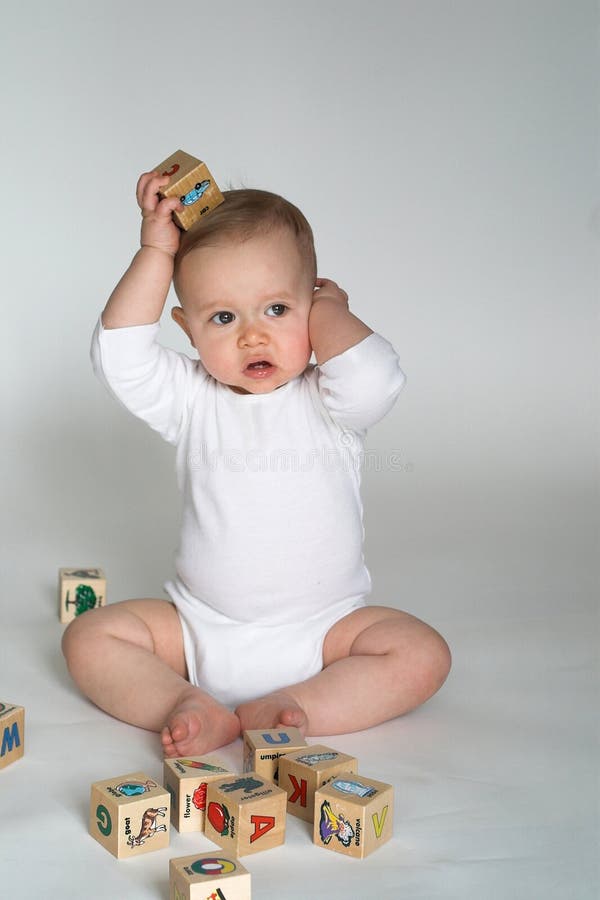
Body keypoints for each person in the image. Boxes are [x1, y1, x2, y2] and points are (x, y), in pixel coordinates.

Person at [62, 170, 451, 758]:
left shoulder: (331, 400)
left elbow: (377, 374)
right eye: (222, 318)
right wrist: (156, 251)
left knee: (422, 654)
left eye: (276, 308)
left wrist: (326, 309)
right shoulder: (191, 398)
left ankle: (298, 706)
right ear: (187, 328)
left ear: (311, 308)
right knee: (90, 637)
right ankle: (183, 702)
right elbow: (120, 356)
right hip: (199, 627)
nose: (252, 337)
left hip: (325, 633)